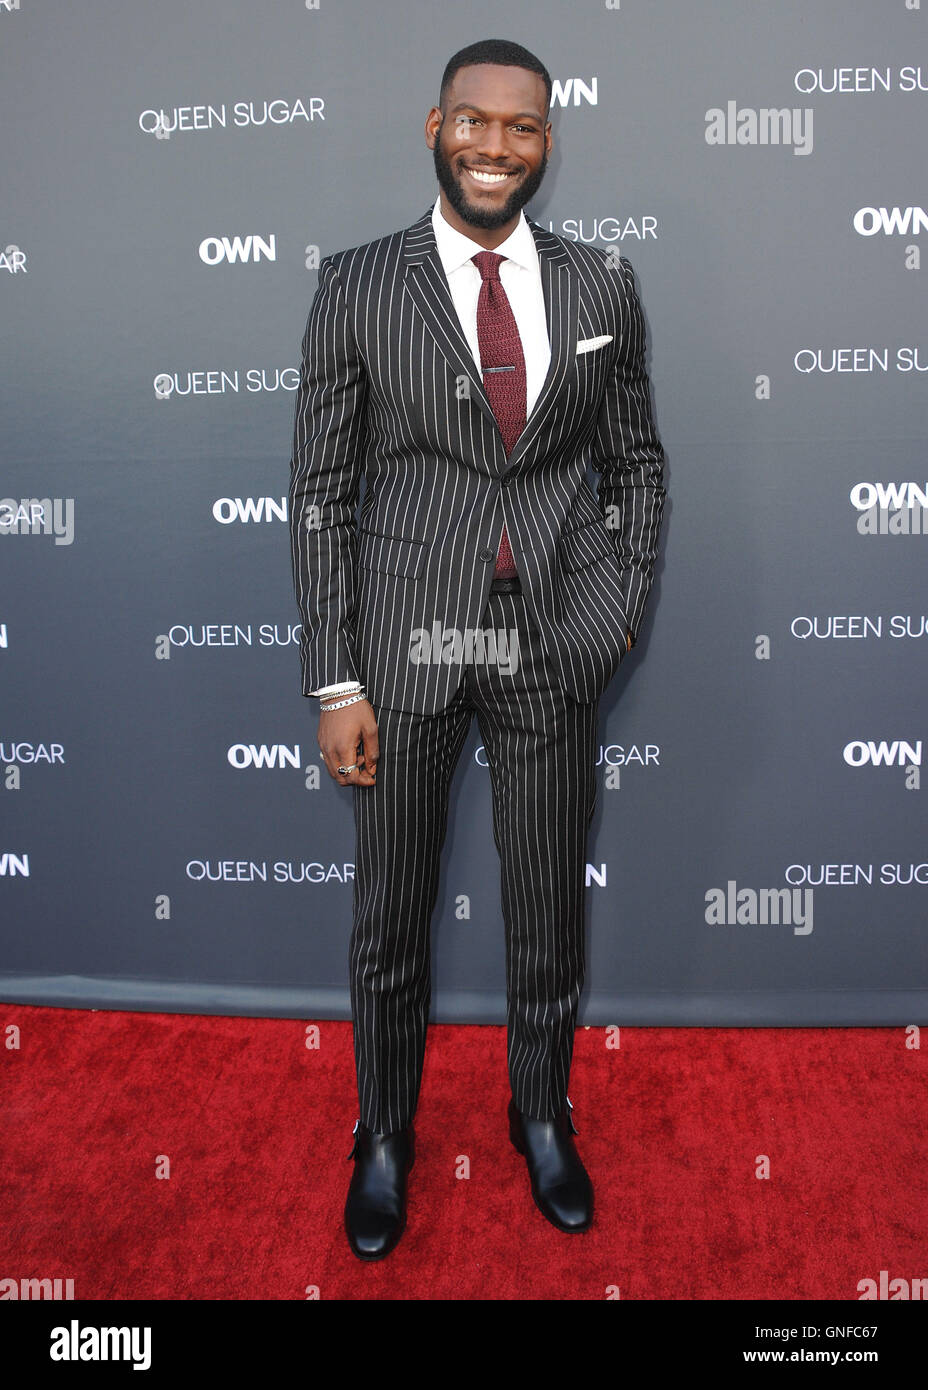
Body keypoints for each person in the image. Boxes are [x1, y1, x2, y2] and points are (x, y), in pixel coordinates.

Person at [288, 37, 665, 1261]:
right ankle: (383, 1136)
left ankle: (541, 1112)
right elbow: (322, 493)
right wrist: (336, 676)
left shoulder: (602, 283)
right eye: (475, 121)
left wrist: (617, 604)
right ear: (435, 125)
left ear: (548, 141)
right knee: (390, 916)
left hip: (551, 642)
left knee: (548, 908)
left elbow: (638, 463)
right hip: (402, 651)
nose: (495, 146)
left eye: (522, 127)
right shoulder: (355, 285)